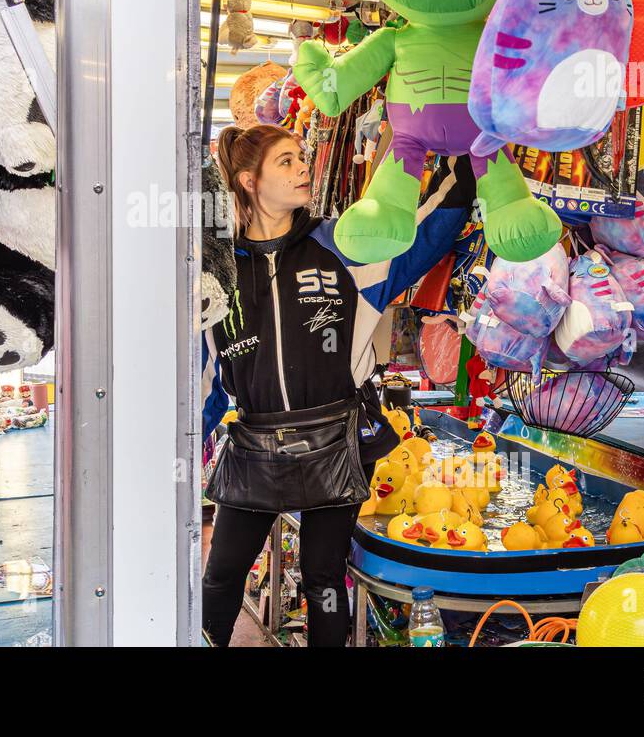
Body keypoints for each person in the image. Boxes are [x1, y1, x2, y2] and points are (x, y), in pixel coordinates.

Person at [201, 124, 472, 646]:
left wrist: (462, 148)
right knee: (219, 578)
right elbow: (205, 379)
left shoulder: (342, 246)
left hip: (335, 442)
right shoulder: (217, 269)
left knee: (323, 579)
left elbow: (425, 232)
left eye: (302, 157)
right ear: (247, 181)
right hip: (253, 444)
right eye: (286, 161)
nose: (304, 167)